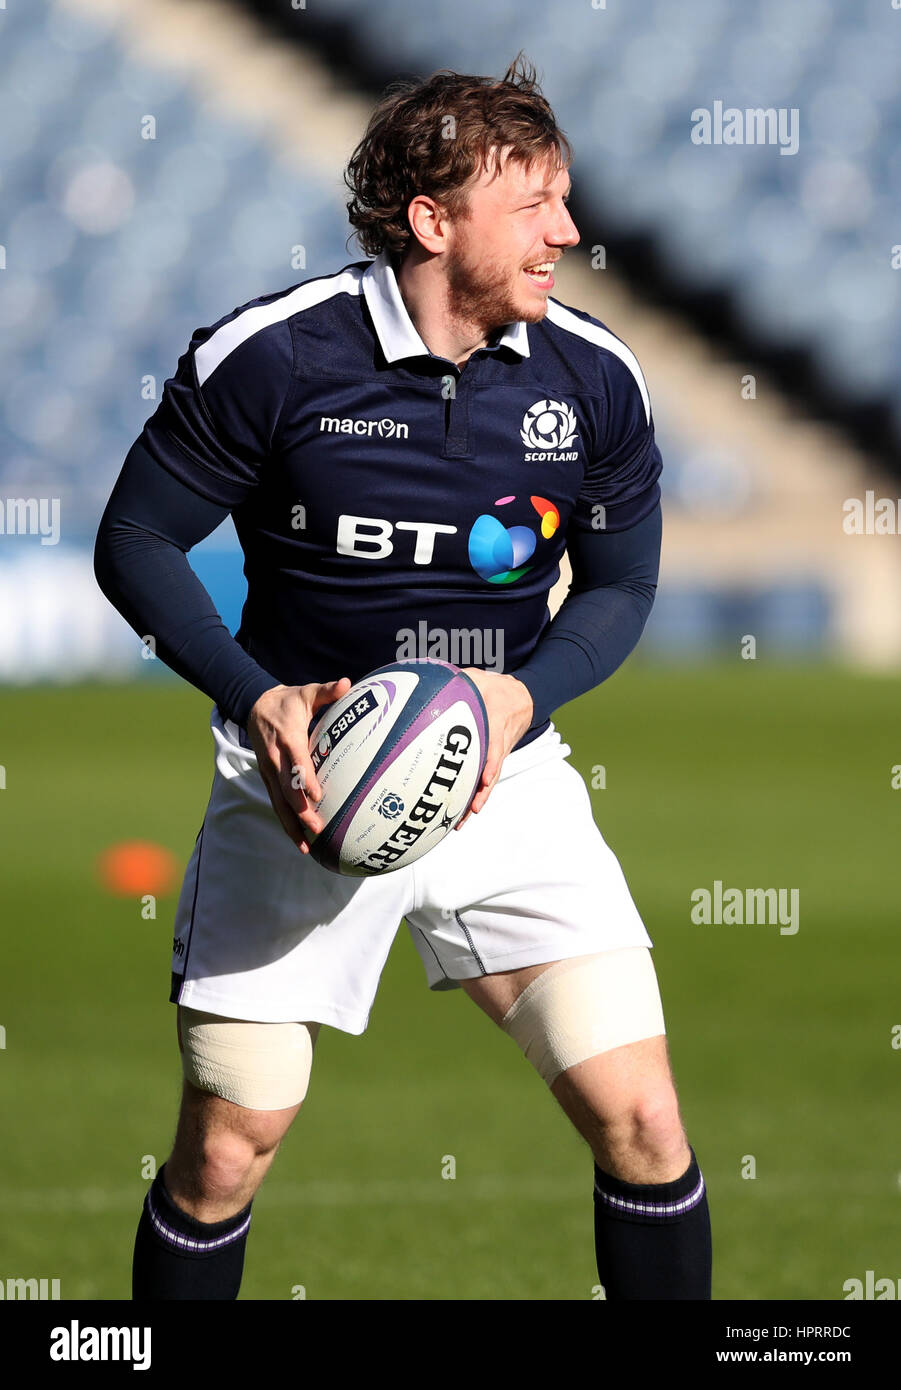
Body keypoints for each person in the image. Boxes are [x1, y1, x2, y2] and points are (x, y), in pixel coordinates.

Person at [94, 52, 711, 1301]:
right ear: (431, 221)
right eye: (533, 205)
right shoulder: (276, 358)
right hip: (303, 784)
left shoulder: (595, 380)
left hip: (507, 779)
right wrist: (256, 694)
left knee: (643, 1120)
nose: (567, 233)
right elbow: (136, 541)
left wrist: (516, 697)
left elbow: (618, 588)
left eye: (565, 200)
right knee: (227, 1148)